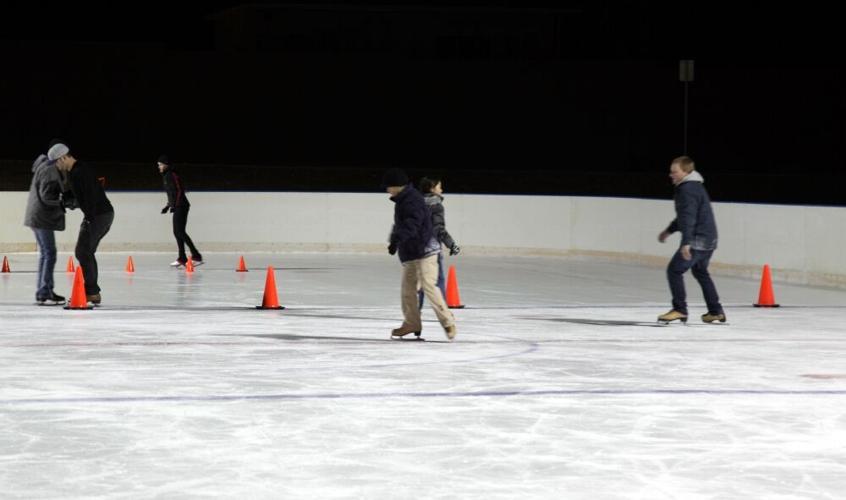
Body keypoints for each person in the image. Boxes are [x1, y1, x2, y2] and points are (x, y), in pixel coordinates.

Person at [383, 168, 457, 341]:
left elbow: (412, 224)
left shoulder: (412, 200)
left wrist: (397, 239)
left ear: (396, 186)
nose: (386, 190)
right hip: (410, 252)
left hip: (425, 250)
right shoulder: (403, 200)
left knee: (429, 285)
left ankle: (448, 322)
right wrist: (395, 239)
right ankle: (412, 323)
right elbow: (401, 225)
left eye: (388, 186)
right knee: (407, 291)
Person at [657, 156, 725, 324]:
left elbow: (688, 218)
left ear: (686, 172)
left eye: (674, 172)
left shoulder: (686, 189)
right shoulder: (696, 187)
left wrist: (686, 242)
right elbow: (685, 216)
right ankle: (715, 311)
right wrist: (669, 231)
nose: (670, 175)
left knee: (674, 270)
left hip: (697, 239)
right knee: (701, 272)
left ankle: (680, 309)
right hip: (710, 239)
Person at [51, 143, 114, 306]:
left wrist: (87, 215)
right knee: (85, 252)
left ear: (64, 157)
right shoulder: (76, 171)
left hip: (99, 215)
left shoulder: (80, 172)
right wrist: (68, 201)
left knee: (83, 251)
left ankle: (92, 292)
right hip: (99, 214)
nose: (57, 166)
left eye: (57, 162)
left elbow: (90, 195)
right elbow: (81, 196)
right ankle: (93, 292)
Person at [23, 141, 68, 305]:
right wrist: (63, 201)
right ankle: (44, 291)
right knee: (50, 253)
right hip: (41, 218)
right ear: (59, 157)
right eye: (66, 156)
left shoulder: (45, 166)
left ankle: (44, 289)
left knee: (46, 253)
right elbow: (46, 196)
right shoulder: (50, 171)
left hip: (37, 217)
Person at [417, 176, 460, 309]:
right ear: (432, 188)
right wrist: (451, 244)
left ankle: (416, 309)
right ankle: (442, 309)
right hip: (432, 246)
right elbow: (438, 228)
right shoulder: (436, 204)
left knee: (419, 278)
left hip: (415, 246)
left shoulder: (415, 202)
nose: (441, 189)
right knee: (438, 277)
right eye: (439, 186)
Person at [157, 155, 203, 268]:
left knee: (180, 232)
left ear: (166, 165)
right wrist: (168, 206)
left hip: (181, 206)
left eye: (160, 165)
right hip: (177, 206)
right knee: (177, 232)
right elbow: (171, 193)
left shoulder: (172, 174)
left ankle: (196, 256)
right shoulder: (166, 176)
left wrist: (175, 205)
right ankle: (182, 258)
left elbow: (179, 190)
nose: (159, 167)